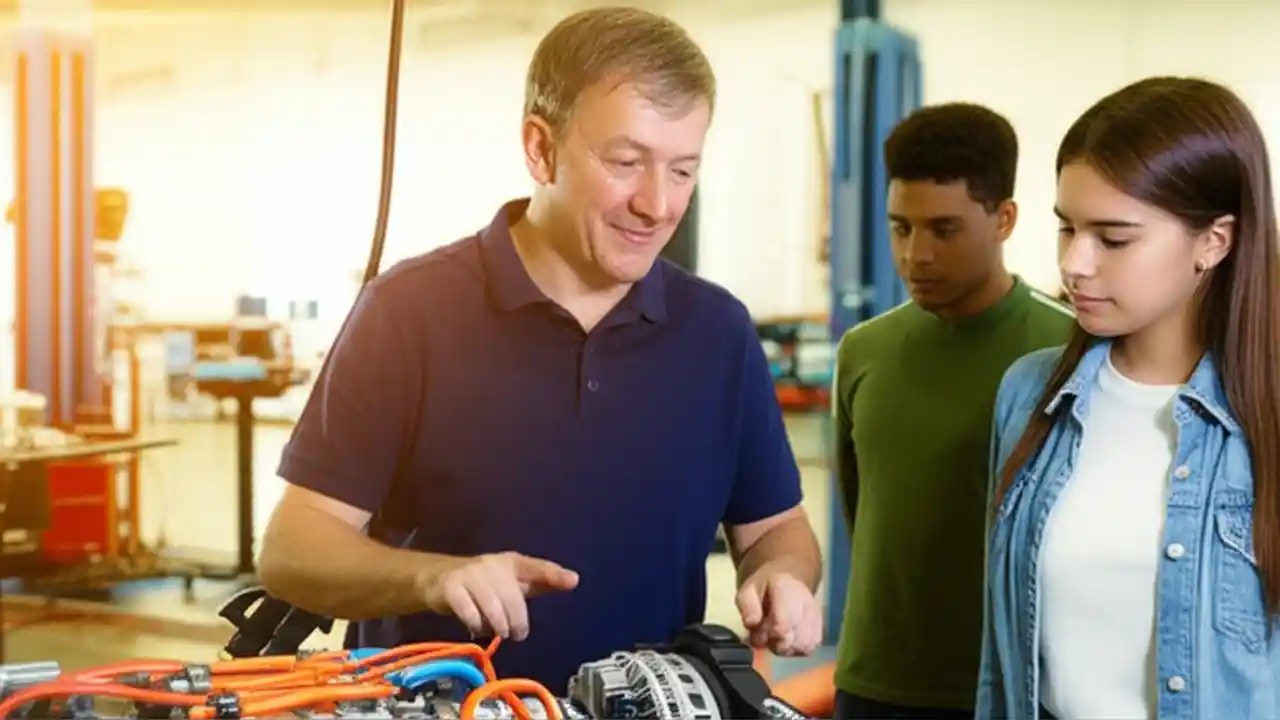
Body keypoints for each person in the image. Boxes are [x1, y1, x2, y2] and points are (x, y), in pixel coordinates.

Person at [255, 6, 824, 695]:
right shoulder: (409, 314)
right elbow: (293, 548)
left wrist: (783, 577)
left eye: (682, 171)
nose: (657, 205)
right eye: (625, 162)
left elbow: (777, 529)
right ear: (539, 148)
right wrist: (432, 577)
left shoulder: (718, 334)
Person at [977, 76, 1280, 720]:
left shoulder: (1269, 413)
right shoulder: (1029, 395)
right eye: (1067, 229)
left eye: (1114, 238)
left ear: (1214, 241)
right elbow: (999, 659)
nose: (1076, 264)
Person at [831, 103, 1075, 719]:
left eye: (944, 229)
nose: (917, 255)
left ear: (1005, 219)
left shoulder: (1069, 353)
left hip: (1009, 686)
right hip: (872, 684)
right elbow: (861, 508)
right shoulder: (864, 353)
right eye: (900, 228)